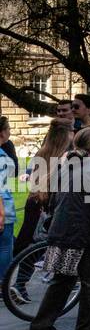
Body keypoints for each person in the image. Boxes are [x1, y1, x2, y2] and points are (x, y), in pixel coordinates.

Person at [29, 127, 90, 330]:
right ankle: (87, 329)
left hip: (62, 233)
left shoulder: (67, 168)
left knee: (62, 281)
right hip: (86, 236)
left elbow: (54, 201)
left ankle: (41, 325)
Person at [9, 120, 74, 305]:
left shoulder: (42, 152)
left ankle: (20, 283)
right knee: (47, 245)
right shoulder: (66, 157)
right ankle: (32, 284)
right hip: (51, 205)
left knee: (34, 245)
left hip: (35, 202)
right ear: (67, 134)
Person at [0, 118, 15, 287]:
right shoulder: (2, 158)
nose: (10, 132)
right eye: (8, 128)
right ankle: (2, 284)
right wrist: (2, 213)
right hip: (4, 209)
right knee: (4, 249)